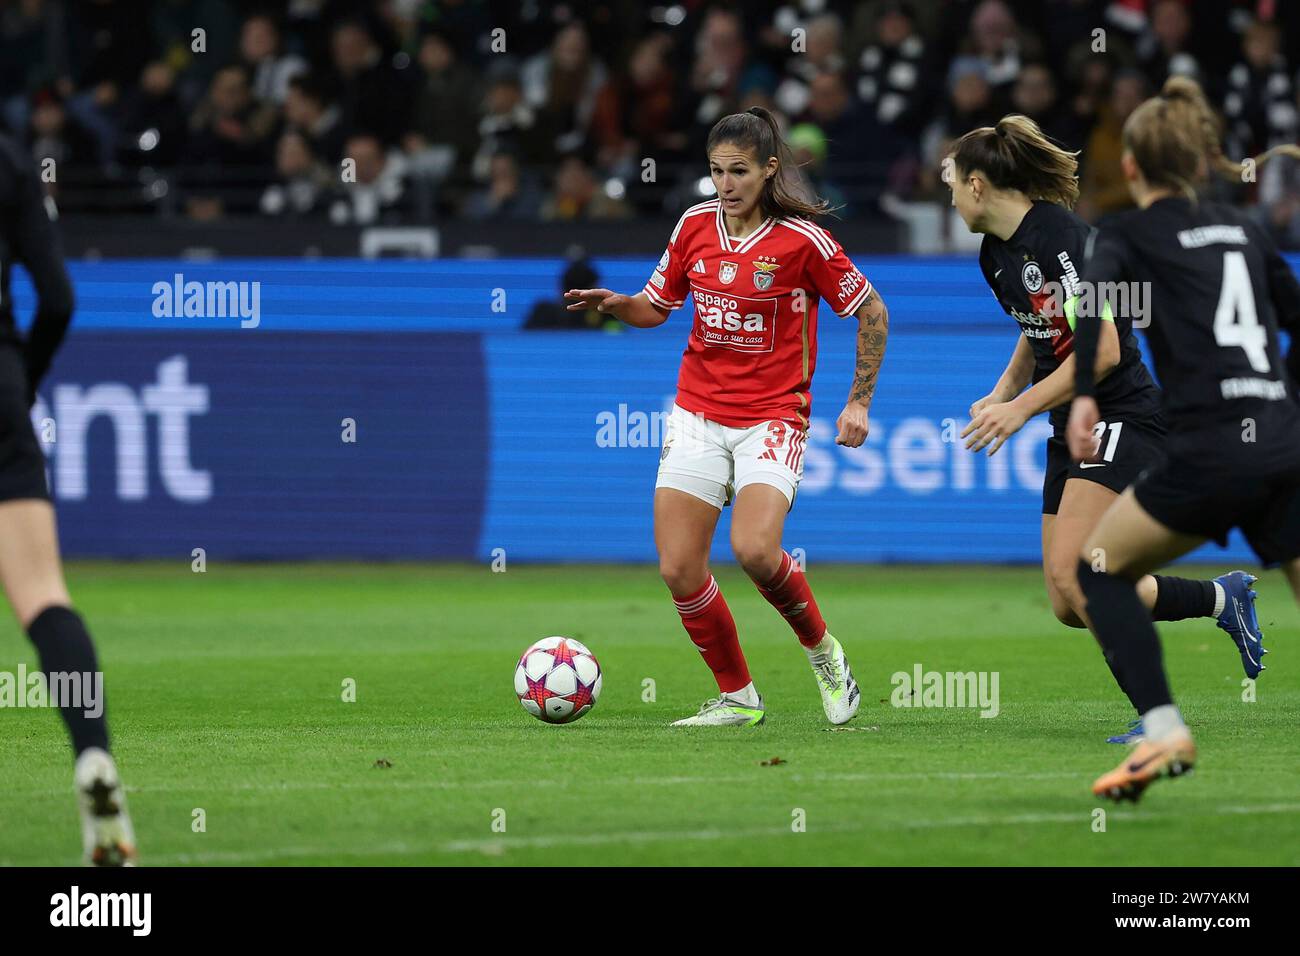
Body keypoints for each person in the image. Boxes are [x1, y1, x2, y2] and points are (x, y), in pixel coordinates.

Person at [949, 114, 1266, 744]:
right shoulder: (996, 254)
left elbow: (1105, 352)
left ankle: (1156, 718)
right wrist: (1003, 391)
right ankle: (1222, 600)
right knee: (1069, 603)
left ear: (980, 185)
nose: (949, 196)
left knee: (1081, 575)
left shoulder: (1063, 239)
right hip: (1072, 421)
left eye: (952, 183)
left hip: (1119, 413)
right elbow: (1037, 326)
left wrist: (1018, 411)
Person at [564, 107, 886, 726]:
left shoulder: (803, 242)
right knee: (679, 567)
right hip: (696, 415)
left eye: (738, 171)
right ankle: (738, 697)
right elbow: (656, 307)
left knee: (756, 550)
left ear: (769, 170)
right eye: (716, 171)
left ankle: (824, 653)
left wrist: (859, 400)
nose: (726, 184)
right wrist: (617, 305)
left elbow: (872, 312)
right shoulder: (693, 228)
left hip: (772, 417)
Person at [1069, 77, 1300, 802]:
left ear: (1131, 167)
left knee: (1098, 570)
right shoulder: (1248, 229)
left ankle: (1164, 730)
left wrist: (1080, 394)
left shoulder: (1129, 233)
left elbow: (1094, 306)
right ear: (1201, 163)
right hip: (1284, 444)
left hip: (1208, 451)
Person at [0, 133, 135, 864]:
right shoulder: (13, 163)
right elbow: (57, 297)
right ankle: (93, 757)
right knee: (44, 595)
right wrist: (20, 379)